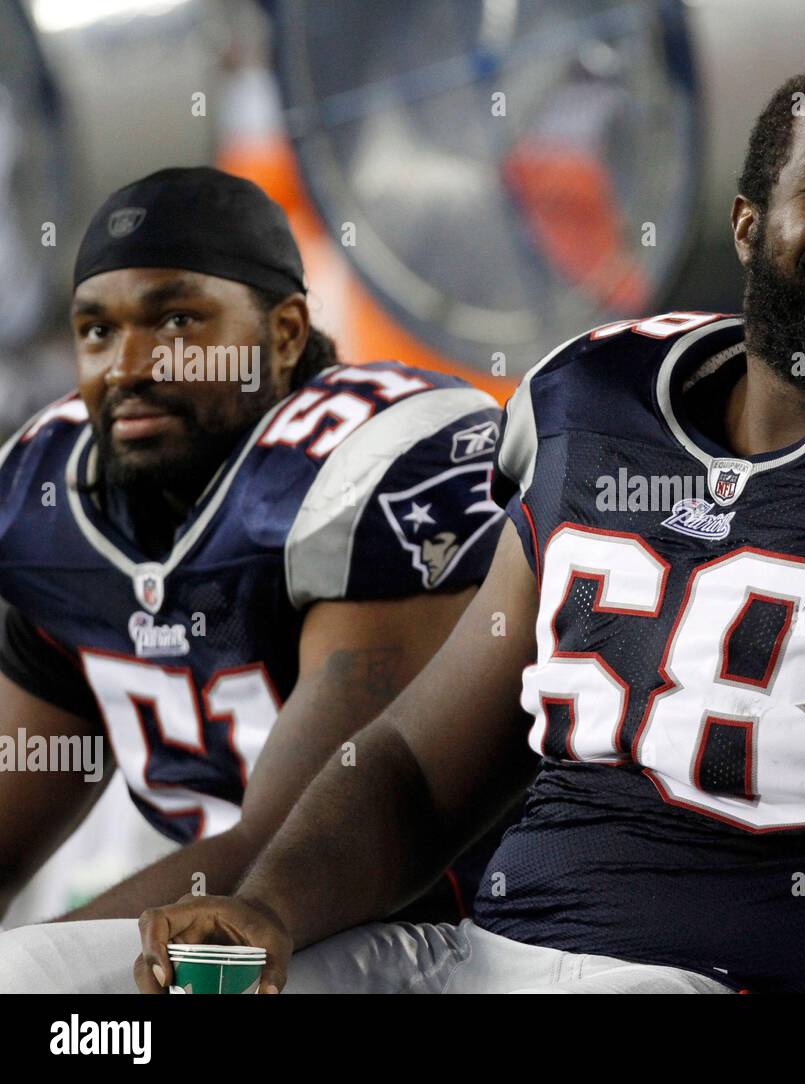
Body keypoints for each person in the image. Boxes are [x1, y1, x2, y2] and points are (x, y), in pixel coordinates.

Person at [41, 59, 805, 994]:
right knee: (59, 996)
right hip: (479, 958)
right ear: (748, 225)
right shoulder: (594, 402)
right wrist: (266, 907)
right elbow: (420, 769)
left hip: (728, 977)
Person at [0, 168, 505, 965]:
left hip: (449, 930)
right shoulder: (53, 500)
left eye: (175, 321)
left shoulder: (368, 468)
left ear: (284, 333)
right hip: (231, 938)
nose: (128, 365)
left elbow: (297, 846)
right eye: (96, 331)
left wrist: (42, 963)